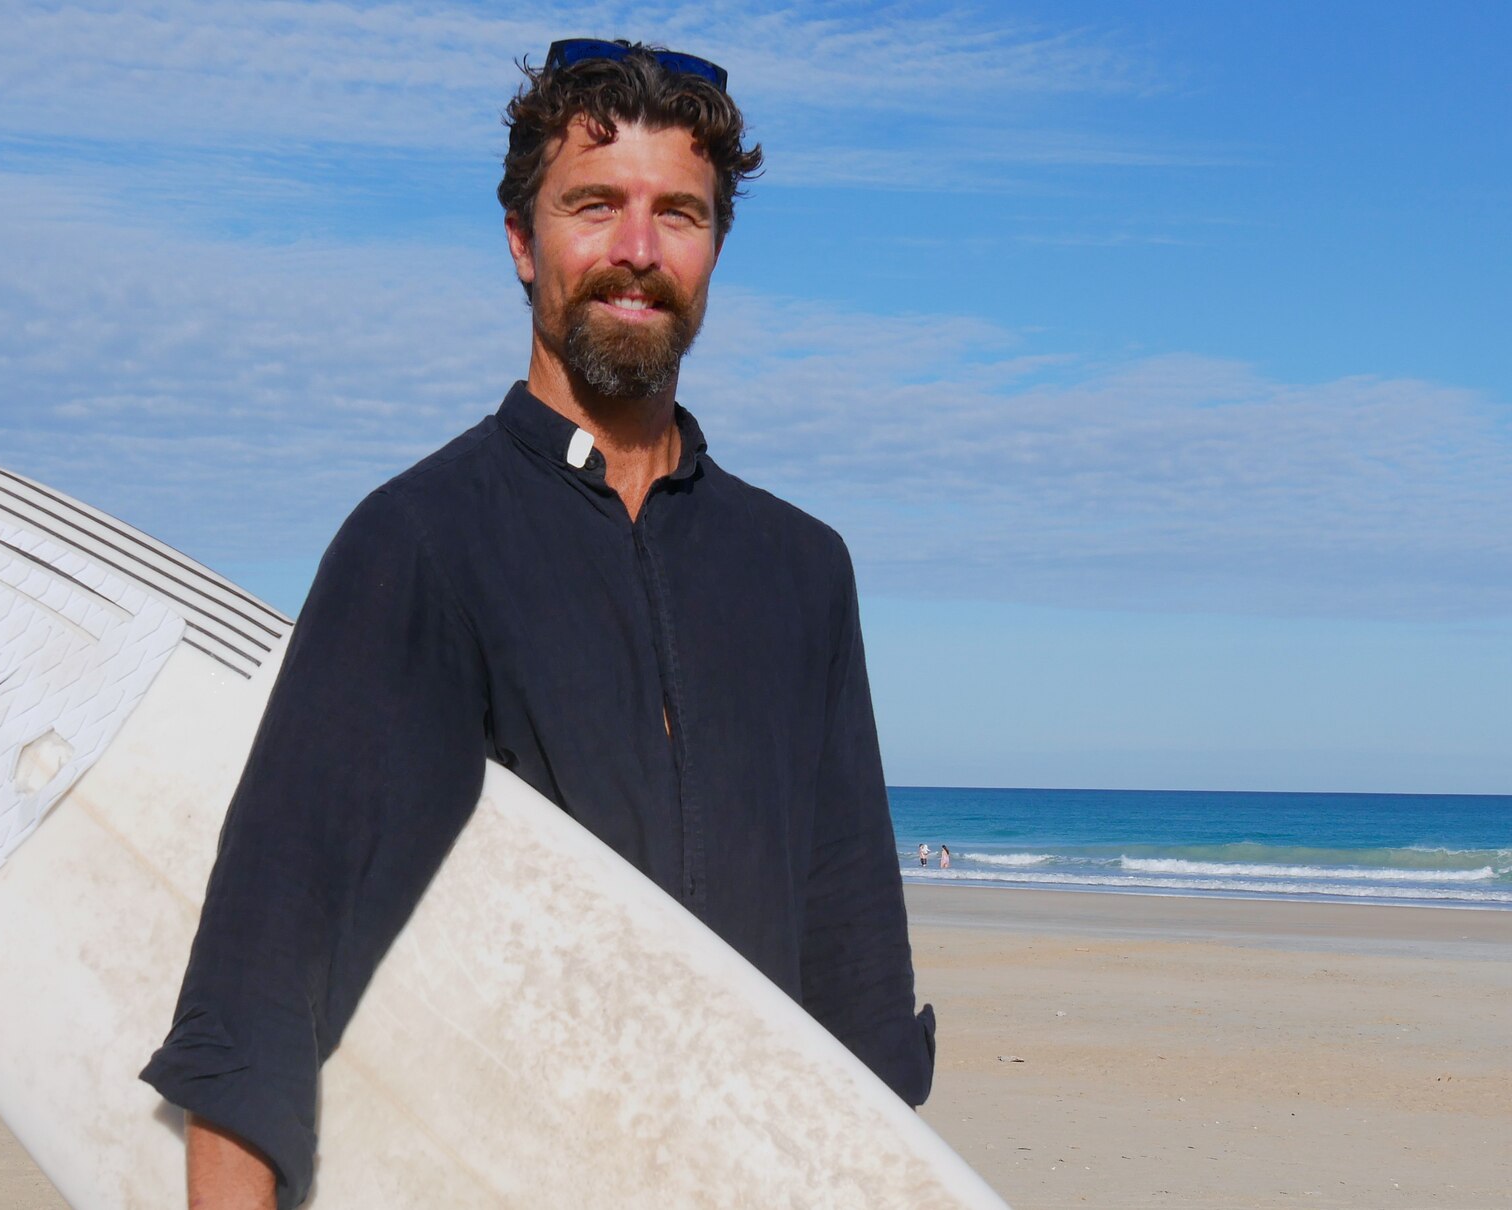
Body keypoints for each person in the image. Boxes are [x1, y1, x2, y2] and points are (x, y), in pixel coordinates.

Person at [142, 38, 934, 1209]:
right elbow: (263, 972)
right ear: (521, 242)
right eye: (593, 205)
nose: (635, 250)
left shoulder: (800, 571)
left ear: (714, 249)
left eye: (678, 212)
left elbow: (856, 995)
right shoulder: (417, 543)